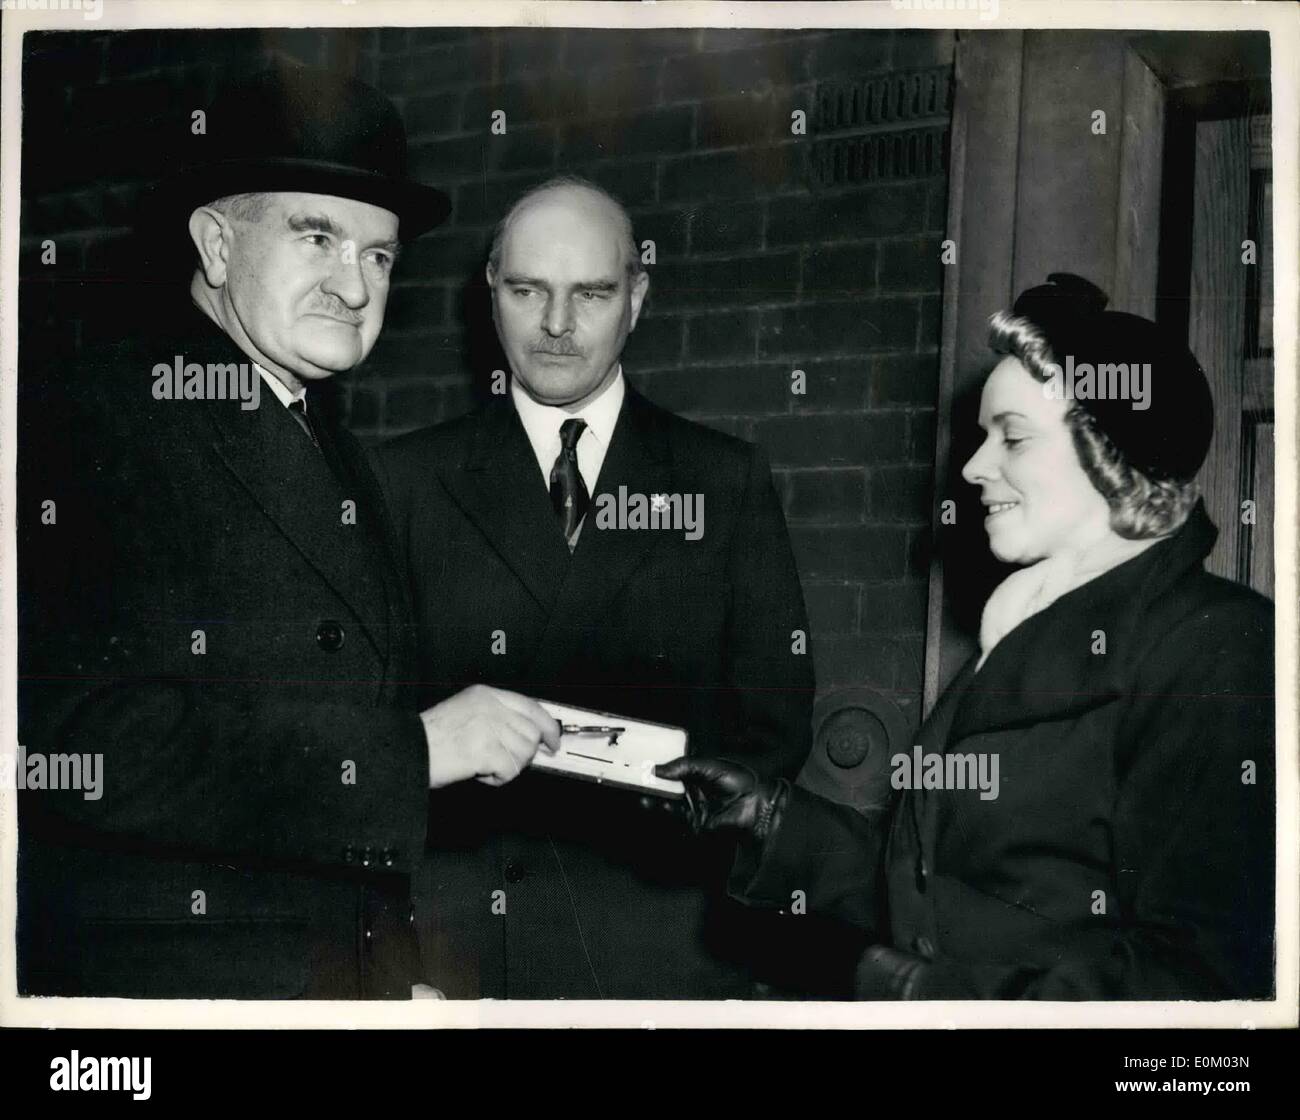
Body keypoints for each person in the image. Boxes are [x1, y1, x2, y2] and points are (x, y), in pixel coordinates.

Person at [16, 64, 559, 1000]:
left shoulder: (339, 450)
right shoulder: (91, 419)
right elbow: (69, 747)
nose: (354, 285)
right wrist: (419, 752)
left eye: (380, 255)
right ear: (217, 246)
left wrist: (386, 979)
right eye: (319, 236)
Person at [661, 273, 1275, 1000]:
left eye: (1010, 437)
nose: (976, 467)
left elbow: (1194, 981)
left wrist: (937, 997)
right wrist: (773, 819)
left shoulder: (1217, 645)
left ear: (1111, 454)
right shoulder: (1021, 630)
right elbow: (932, 893)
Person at [373, 176, 815, 999]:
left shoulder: (725, 481)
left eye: (593, 292)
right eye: (527, 289)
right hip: (458, 948)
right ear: (490, 295)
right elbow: (370, 727)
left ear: (637, 298)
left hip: (657, 948)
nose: (556, 326)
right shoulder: (403, 479)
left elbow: (775, 721)